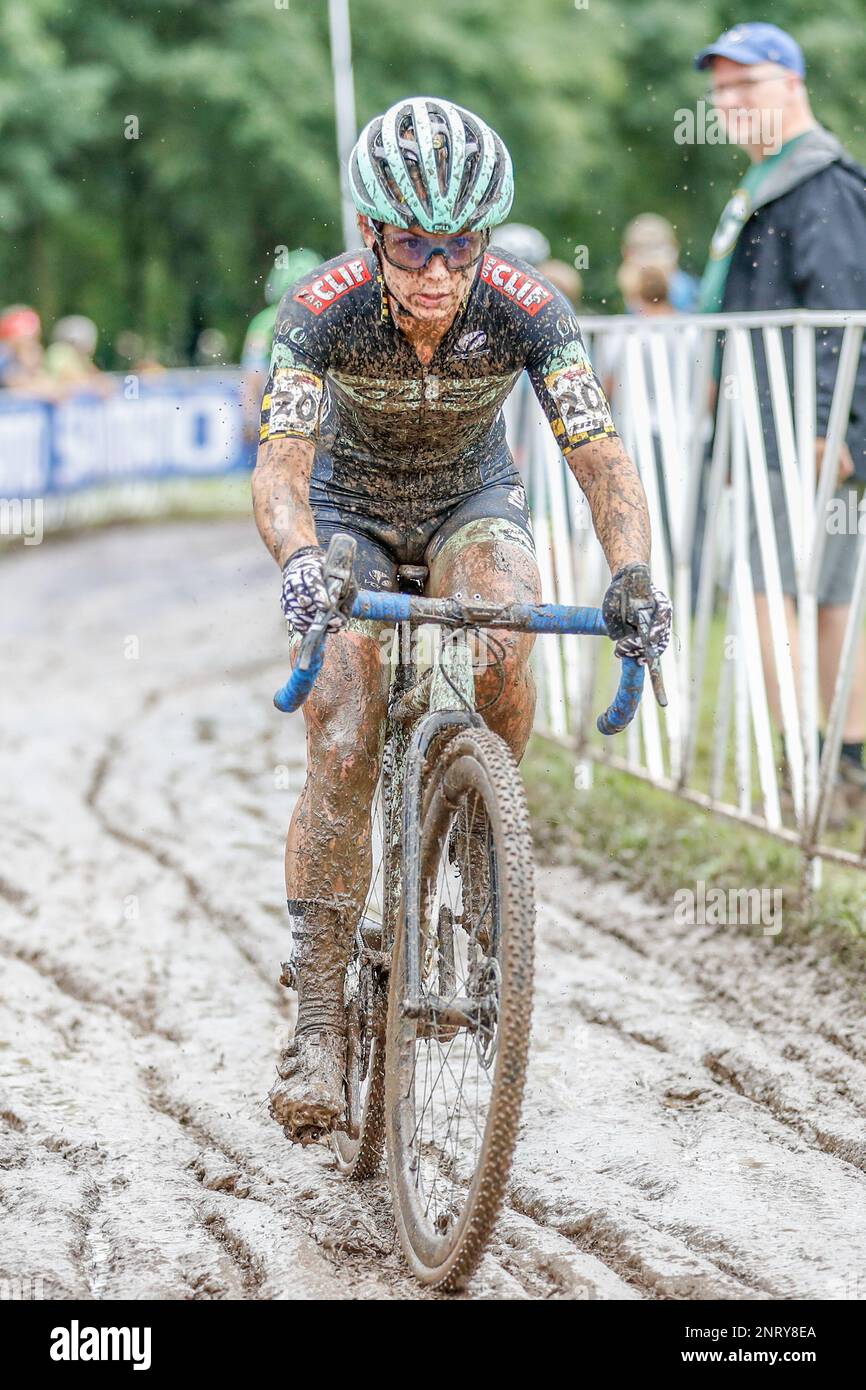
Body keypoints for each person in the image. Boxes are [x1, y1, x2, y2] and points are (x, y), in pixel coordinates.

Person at [251, 96, 671, 1145]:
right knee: (343, 722)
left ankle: (485, 836)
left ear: (485, 241)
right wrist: (301, 561)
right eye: (412, 246)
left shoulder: (529, 308)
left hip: (469, 501)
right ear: (371, 236)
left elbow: (595, 451)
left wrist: (632, 575)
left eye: (459, 248)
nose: (437, 272)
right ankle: (314, 1020)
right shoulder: (319, 310)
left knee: (501, 624)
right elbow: (280, 466)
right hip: (346, 510)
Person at [696, 22, 866, 820]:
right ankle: (836, 768)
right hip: (778, 429)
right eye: (719, 90)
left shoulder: (819, 184)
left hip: (799, 434)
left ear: (792, 86)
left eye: (746, 85)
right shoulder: (769, 182)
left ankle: (811, 763)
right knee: (823, 597)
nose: (728, 103)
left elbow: (843, 315)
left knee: (781, 594)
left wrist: (830, 428)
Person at [241, 250, 321, 439]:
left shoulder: (265, 322)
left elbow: (253, 375)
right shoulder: (329, 316)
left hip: (279, 417)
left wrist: (250, 418)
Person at [622, 213, 700, 314]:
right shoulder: (632, 294)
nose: (650, 257)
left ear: (674, 250)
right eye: (641, 249)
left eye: (656, 247)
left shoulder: (692, 293)